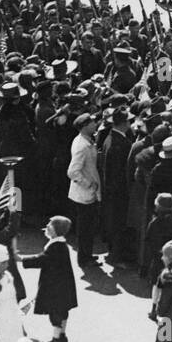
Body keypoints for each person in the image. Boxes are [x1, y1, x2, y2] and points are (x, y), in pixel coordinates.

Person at [20, 215, 78, 342]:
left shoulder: (55, 247)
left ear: (55, 230)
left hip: (55, 287)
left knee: (55, 313)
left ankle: (55, 339)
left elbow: (43, 259)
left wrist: (23, 260)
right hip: (64, 286)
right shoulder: (60, 245)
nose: (46, 226)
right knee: (63, 311)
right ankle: (62, 336)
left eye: (50, 225)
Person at [66, 113, 101, 266]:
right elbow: (73, 171)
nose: (95, 125)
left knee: (87, 228)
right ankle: (84, 259)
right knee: (85, 229)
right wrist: (88, 184)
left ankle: (87, 255)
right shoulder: (82, 145)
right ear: (85, 126)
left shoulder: (84, 141)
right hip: (84, 194)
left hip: (85, 193)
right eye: (93, 123)